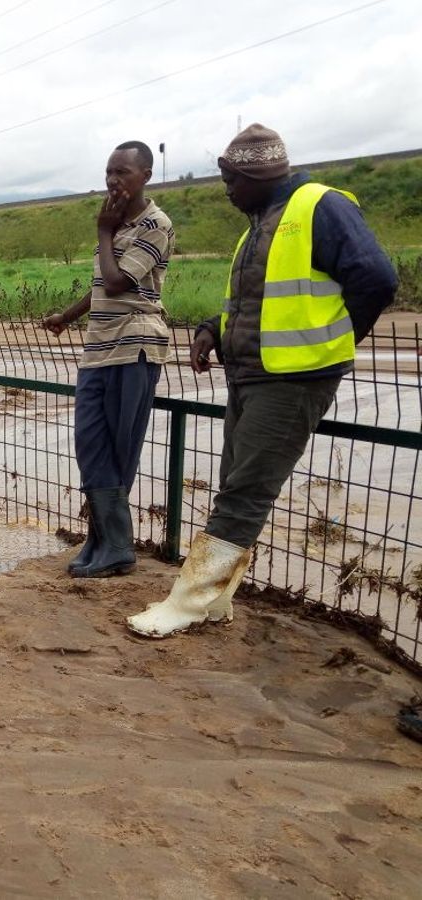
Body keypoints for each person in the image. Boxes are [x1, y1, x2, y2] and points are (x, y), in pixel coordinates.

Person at [127, 124, 398, 638]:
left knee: (245, 492)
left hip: (294, 379)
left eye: (231, 180)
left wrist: (333, 342)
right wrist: (213, 329)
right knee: (236, 483)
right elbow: (256, 304)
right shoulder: (261, 225)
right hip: (255, 374)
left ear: (256, 174)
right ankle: (212, 602)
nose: (226, 190)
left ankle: (187, 602)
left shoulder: (320, 207)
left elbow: (378, 280)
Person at [42, 141, 175, 578]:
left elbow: (119, 284)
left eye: (123, 172)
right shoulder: (117, 226)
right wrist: (68, 316)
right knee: (90, 444)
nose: (114, 181)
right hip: (99, 347)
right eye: (109, 172)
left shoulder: (155, 224)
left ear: (146, 176)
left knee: (120, 448)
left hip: (135, 344)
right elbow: (101, 285)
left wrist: (102, 230)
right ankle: (104, 539)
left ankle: (113, 544)